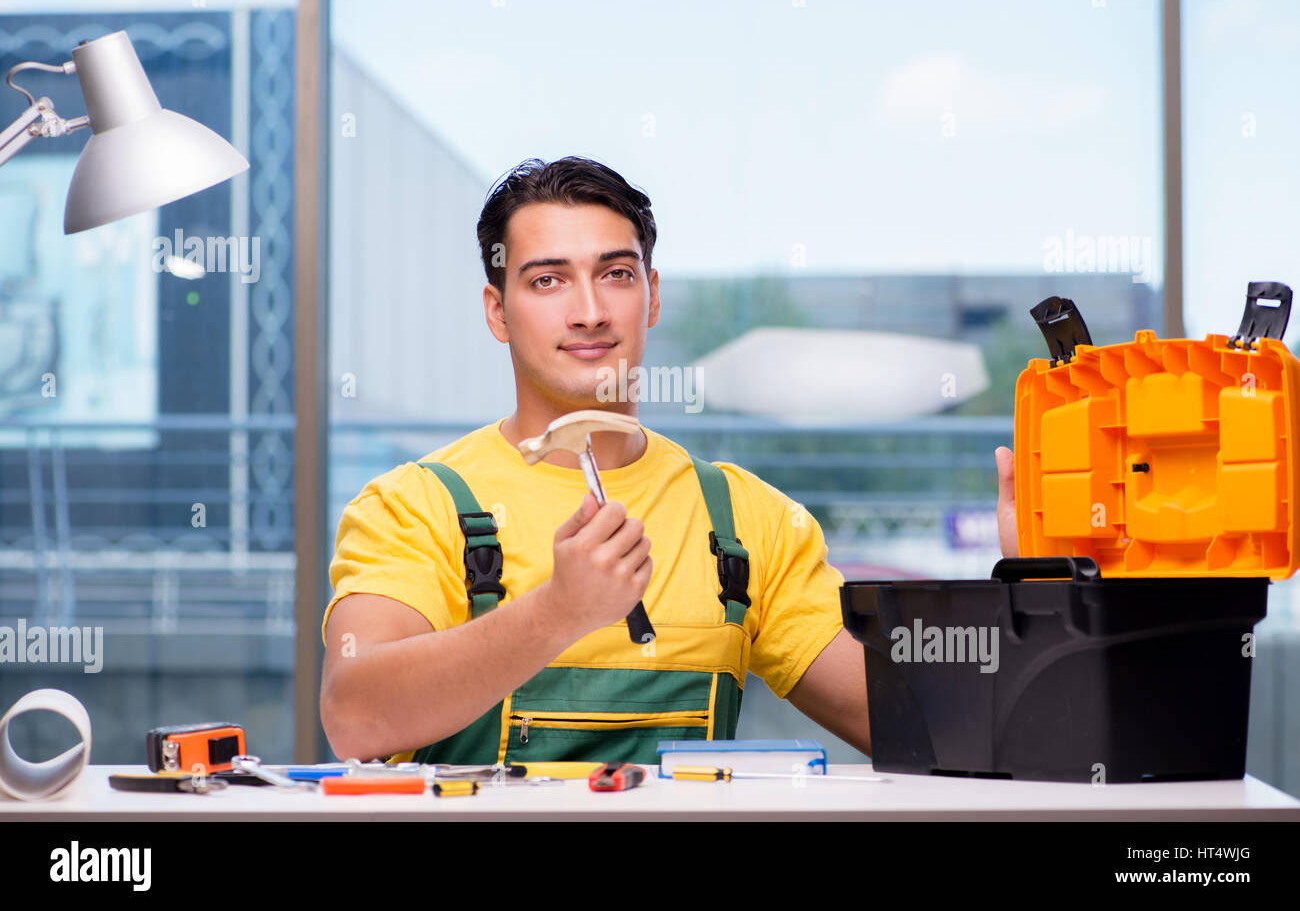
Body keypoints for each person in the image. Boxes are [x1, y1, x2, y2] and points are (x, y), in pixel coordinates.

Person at [320, 156, 1018, 765]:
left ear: (651, 296)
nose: (590, 310)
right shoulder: (414, 505)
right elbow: (355, 715)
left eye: (616, 274)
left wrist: (1037, 587)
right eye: (548, 281)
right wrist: (555, 612)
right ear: (497, 311)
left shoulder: (741, 520)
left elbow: (941, 730)